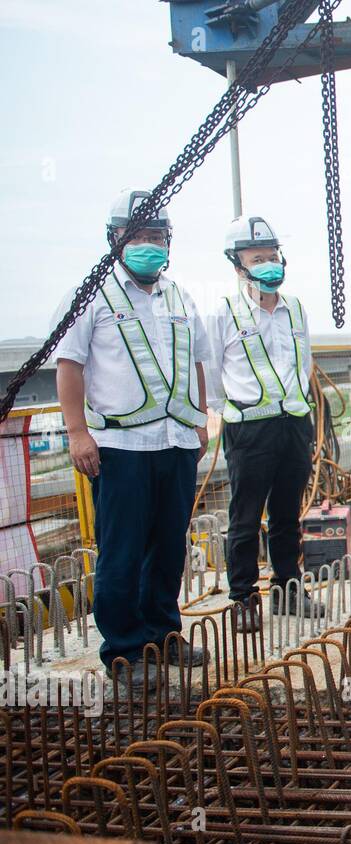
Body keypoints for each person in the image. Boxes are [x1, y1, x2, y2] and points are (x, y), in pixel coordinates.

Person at [54, 188, 210, 690]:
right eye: (138, 236)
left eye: (157, 236)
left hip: (175, 442)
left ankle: (163, 634)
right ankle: (123, 649)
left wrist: (200, 419)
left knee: (168, 546)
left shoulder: (179, 296)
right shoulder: (92, 294)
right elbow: (70, 366)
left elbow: (198, 360)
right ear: (115, 239)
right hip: (120, 448)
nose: (149, 244)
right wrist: (78, 432)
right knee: (121, 551)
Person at [206, 215, 323, 630]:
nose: (270, 264)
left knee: (287, 514)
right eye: (259, 258)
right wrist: (224, 414)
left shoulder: (295, 309)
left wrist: (301, 411)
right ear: (238, 266)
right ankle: (243, 598)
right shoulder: (224, 314)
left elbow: (303, 362)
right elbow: (211, 371)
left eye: (273, 256)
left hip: (293, 423)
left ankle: (288, 590)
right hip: (249, 429)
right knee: (245, 517)